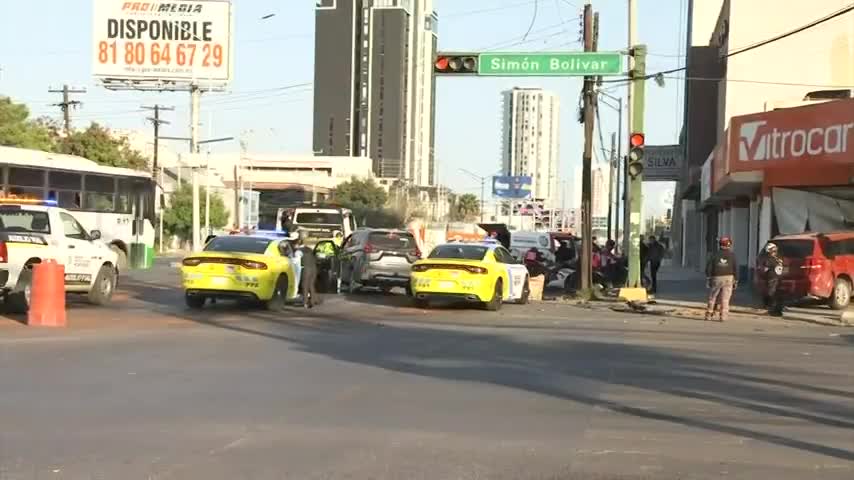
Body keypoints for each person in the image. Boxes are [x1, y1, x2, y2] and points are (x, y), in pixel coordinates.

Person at [705, 236, 738, 322]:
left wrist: (708, 277)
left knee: (713, 297)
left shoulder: (715, 254)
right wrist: (736, 280)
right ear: (729, 245)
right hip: (728, 277)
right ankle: (723, 316)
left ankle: (709, 314)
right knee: (725, 299)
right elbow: (736, 268)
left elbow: (709, 267)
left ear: (719, 244)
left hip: (716, 277)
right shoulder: (732, 255)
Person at [761, 242, 785, 317]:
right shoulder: (778, 258)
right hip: (776, 278)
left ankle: (772, 309)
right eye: (773, 251)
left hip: (773, 278)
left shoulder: (770, 259)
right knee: (774, 294)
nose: (774, 252)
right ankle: (775, 309)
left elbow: (765, 269)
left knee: (772, 294)